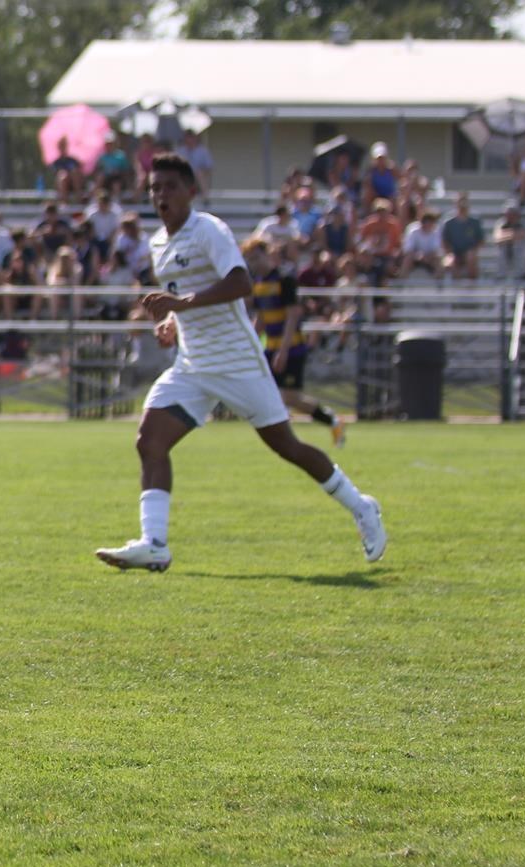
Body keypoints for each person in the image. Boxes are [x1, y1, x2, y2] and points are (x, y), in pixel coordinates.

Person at [94, 154, 385, 573]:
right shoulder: (159, 244)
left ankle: (362, 506)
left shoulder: (209, 230)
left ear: (191, 191)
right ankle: (154, 544)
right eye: (154, 188)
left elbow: (240, 282)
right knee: (149, 441)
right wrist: (174, 322)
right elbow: (187, 296)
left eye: (170, 187)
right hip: (193, 364)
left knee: (287, 446)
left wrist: (179, 304)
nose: (160, 195)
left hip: (237, 361)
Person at [243, 238, 346, 446]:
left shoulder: (284, 279)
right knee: (269, 395)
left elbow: (292, 316)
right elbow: (262, 317)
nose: (254, 264)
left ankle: (333, 421)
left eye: (256, 258)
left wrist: (284, 351)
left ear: (267, 254)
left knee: (290, 397)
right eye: (249, 260)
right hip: (270, 346)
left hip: (291, 347)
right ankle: (285, 439)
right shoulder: (259, 282)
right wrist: (251, 341)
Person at [355, 199, 402, 286]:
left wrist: (394, 255)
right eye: (379, 211)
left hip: (388, 255)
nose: (381, 214)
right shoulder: (369, 224)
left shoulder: (393, 225)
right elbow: (360, 241)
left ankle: (385, 291)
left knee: (389, 267)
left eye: (384, 211)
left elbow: (398, 244)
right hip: (372, 255)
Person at [439, 193, 484, 282]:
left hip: (469, 252)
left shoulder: (474, 222)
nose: (462, 205)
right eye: (460, 202)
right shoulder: (449, 223)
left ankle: (473, 285)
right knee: (450, 261)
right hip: (454, 253)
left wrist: (474, 251)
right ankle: (456, 287)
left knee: (471, 257)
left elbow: (481, 240)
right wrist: (450, 253)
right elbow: (444, 241)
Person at [398, 210, 444, 281]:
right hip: (414, 258)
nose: (429, 225)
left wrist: (427, 256)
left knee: (438, 261)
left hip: (430, 258)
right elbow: (407, 249)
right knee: (407, 259)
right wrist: (418, 256)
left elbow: (437, 249)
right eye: (427, 222)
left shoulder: (436, 230)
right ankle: (401, 284)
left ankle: (439, 285)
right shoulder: (412, 230)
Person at [176, 129, 214, 198]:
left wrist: (199, 172)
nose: (189, 140)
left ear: (195, 138)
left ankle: (205, 198)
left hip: (198, 178)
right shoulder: (180, 150)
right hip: (184, 177)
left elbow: (209, 167)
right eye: (187, 138)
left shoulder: (203, 151)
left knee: (199, 173)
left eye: (191, 137)